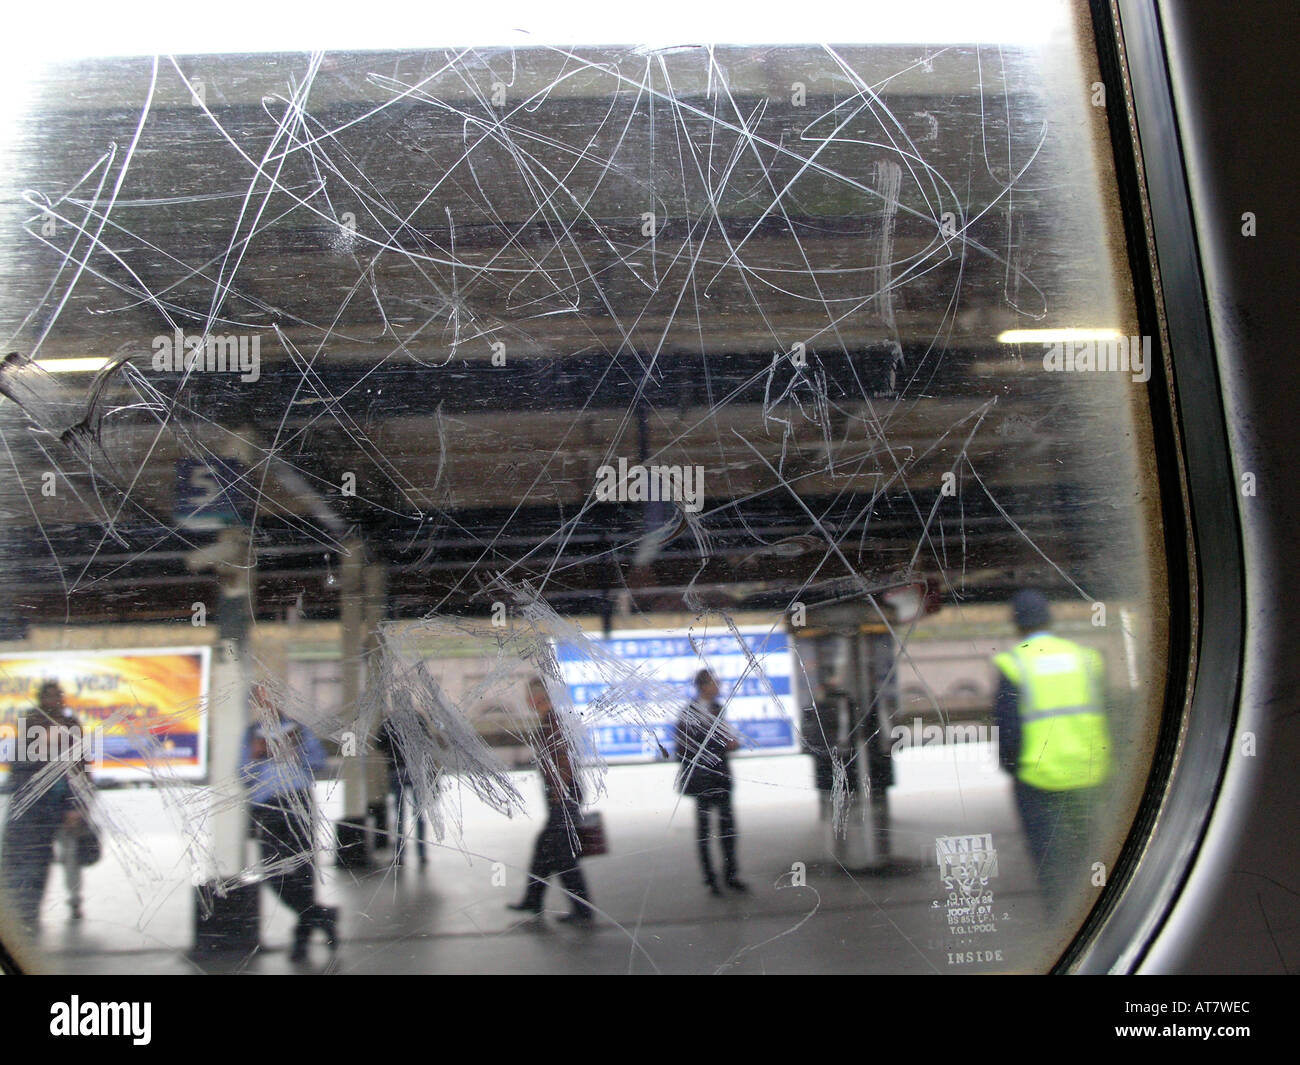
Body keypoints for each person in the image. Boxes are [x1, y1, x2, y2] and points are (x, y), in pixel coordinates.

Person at [993, 590, 1111, 915]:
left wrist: (1012, 769)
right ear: (1050, 619)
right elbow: (1110, 716)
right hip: (1087, 777)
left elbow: (1008, 730)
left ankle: (1064, 925)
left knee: (1052, 864)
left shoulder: (1015, 663)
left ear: (1017, 624)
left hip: (1039, 782)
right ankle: (1096, 917)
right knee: (1087, 858)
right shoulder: (1084, 658)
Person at [239, 685, 338, 962]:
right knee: (273, 873)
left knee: (304, 872)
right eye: (262, 702)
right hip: (268, 806)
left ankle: (301, 941)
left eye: (272, 700)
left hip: (298, 802)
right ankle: (322, 916)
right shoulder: (250, 735)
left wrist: (295, 752)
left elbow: (319, 761)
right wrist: (258, 755)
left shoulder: (298, 730)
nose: (268, 706)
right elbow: (241, 773)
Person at [1, 680, 85, 931]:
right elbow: (20, 770)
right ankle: (26, 910)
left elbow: (80, 766)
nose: (54, 701)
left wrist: (76, 805)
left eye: (57, 696)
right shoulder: (31, 725)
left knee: (67, 855)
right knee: (31, 860)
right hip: (34, 809)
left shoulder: (70, 726)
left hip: (60, 805)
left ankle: (72, 900)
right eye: (49, 697)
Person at [507, 677, 593, 924]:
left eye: (529, 695)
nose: (527, 700)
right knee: (544, 848)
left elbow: (564, 758)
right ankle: (533, 899)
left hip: (563, 796)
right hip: (563, 795)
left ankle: (583, 909)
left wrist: (559, 791)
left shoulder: (553, 722)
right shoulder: (550, 720)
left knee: (563, 855)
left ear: (539, 698)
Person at [674, 669, 748, 895]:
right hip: (702, 779)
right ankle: (710, 879)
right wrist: (717, 745)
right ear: (704, 686)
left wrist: (730, 743)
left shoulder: (718, 708)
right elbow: (683, 747)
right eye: (715, 683)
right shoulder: (688, 712)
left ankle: (731, 874)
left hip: (721, 776)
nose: (718, 686)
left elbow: (724, 735)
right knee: (704, 830)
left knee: (728, 828)